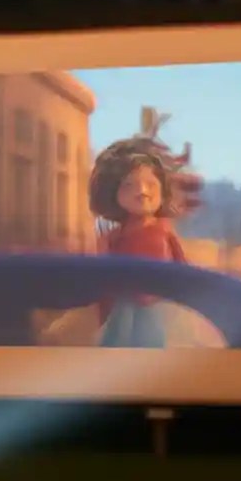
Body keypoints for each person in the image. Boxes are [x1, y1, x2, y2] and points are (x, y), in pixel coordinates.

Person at [88, 138, 188, 348]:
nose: (142, 191)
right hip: (123, 302)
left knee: (151, 338)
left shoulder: (164, 230)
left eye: (151, 184)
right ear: (112, 191)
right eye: (128, 185)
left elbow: (182, 268)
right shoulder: (114, 237)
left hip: (156, 303)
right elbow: (103, 275)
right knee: (118, 337)